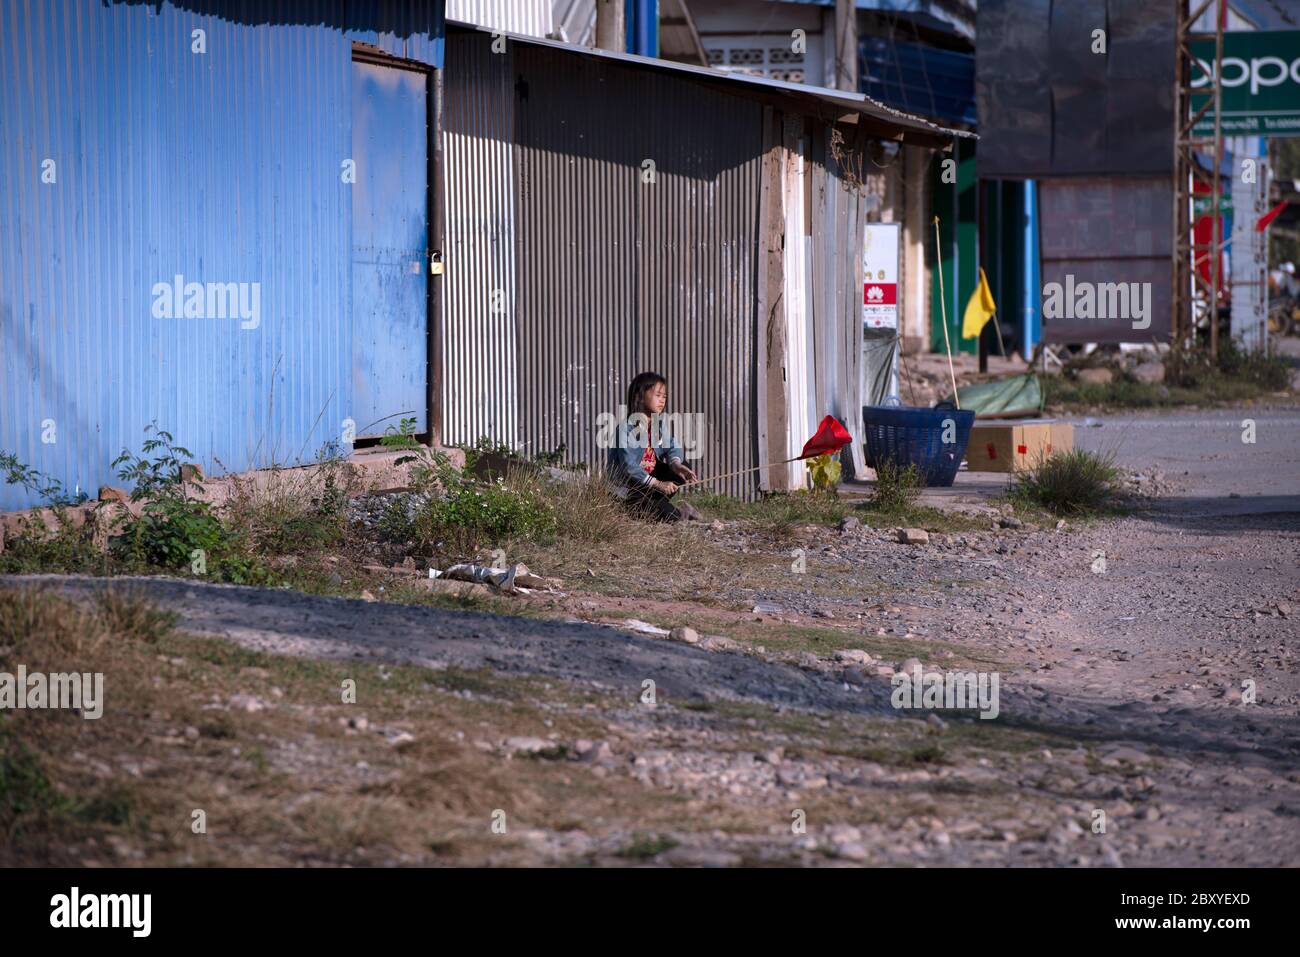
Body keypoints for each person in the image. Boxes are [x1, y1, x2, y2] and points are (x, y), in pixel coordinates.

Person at [606, 372, 701, 522]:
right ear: (640, 396)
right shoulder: (626, 428)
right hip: (629, 489)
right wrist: (658, 484)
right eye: (658, 395)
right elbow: (629, 467)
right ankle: (651, 508)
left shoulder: (658, 425)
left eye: (664, 396)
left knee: (681, 467)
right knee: (670, 516)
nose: (662, 400)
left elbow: (672, 447)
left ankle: (654, 505)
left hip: (648, 487)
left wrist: (676, 465)